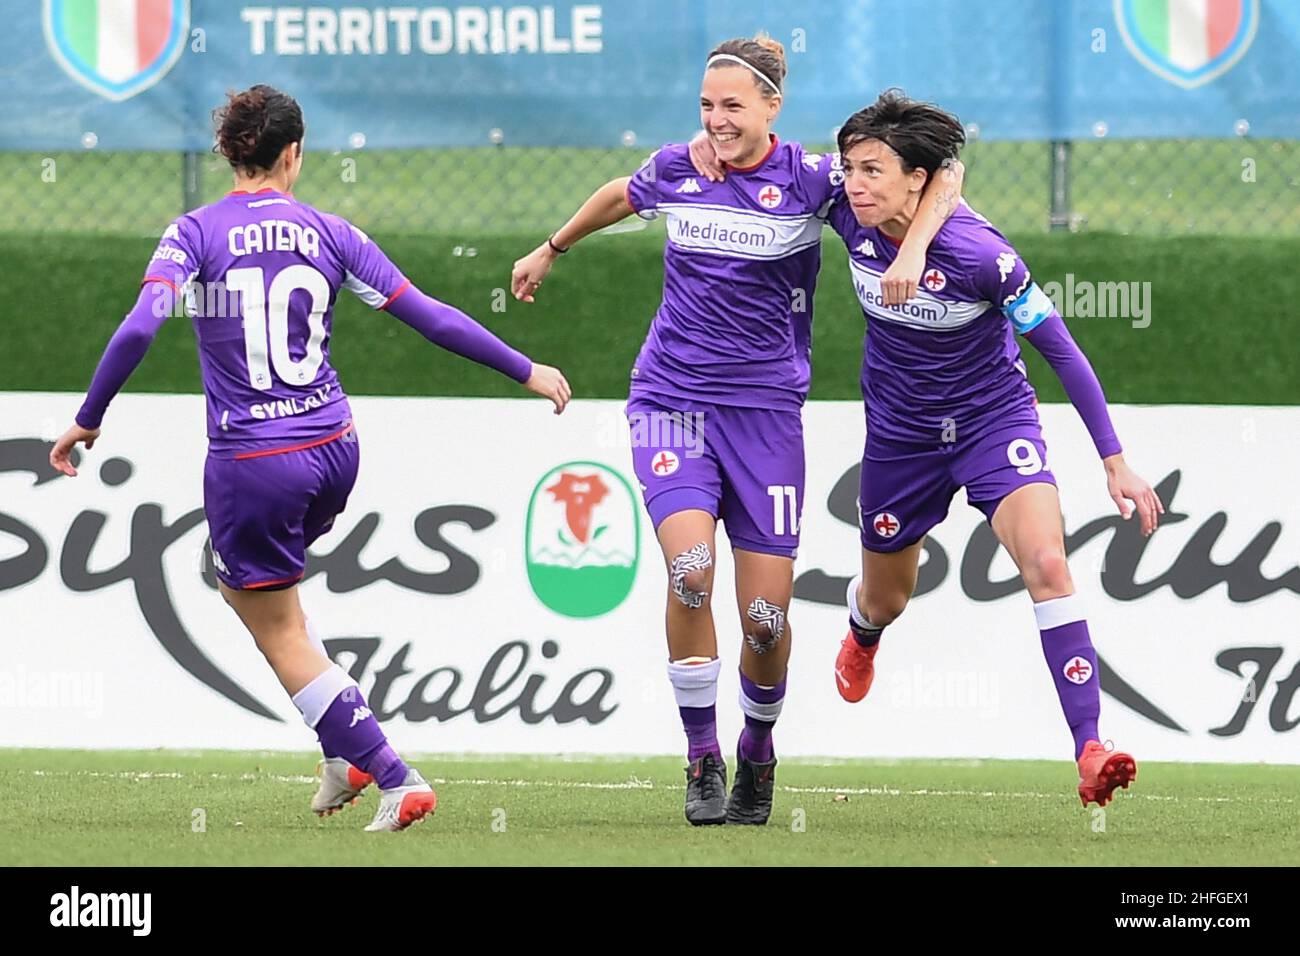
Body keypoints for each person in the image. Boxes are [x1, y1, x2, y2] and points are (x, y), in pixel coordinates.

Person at [49, 85, 571, 832]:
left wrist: (87, 420)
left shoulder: (194, 232)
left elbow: (138, 331)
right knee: (261, 597)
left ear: (228, 152)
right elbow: (432, 318)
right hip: (334, 449)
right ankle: (341, 755)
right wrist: (525, 369)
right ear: (293, 153)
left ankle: (393, 774)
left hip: (254, 460)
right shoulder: (331, 231)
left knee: (275, 625)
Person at [511, 38, 958, 825]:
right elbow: (624, 191)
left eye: (732, 108)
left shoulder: (817, 180)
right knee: (689, 571)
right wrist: (552, 248)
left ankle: (756, 745)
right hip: (671, 402)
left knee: (765, 621)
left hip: (765, 418)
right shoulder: (679, 168)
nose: (716, 122)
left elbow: (945, 176)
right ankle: (699, 756)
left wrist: (916, 245)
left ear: (772, 108)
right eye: (706, 108)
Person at [825, 90, 1162, 807]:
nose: (855, 182)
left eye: (873, 170)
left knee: (1047, 561)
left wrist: (1113, 458)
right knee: (887, 600)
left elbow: (1062, 351)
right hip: (900, 438)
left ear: (917, 179)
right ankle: (862, 631)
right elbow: (933, 169)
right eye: (849, 167)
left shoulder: (984, 256)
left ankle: (1090, 747)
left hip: (993, 424)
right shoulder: (843, 211)